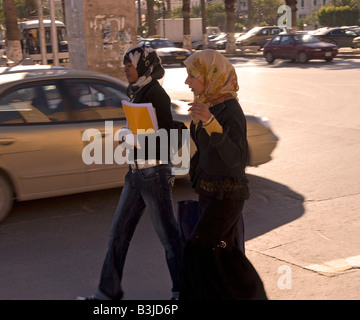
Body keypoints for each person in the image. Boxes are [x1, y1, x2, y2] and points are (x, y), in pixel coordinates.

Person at [77, 46, 183, 300]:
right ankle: (106, 293)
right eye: (124, 65)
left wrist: (135, 139)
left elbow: (167, 140)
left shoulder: (157, 95)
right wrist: (128, 136)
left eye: (130, 65)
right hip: (135, 173)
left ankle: (183, 291)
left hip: (154, 174)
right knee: (118, 234)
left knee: (169, 239)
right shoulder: (136, 92)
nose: (125, 69)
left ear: (144, 66)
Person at [181, 49, 267, 300]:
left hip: (227, 194)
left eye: (191, 75)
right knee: (222, 251)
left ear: (210, 76)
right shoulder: (207, 105)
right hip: (209, 191)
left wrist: (209, 122)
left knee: (198, 246)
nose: (187, 82)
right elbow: (205, 149)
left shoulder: (229, 110)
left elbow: (236, 159)